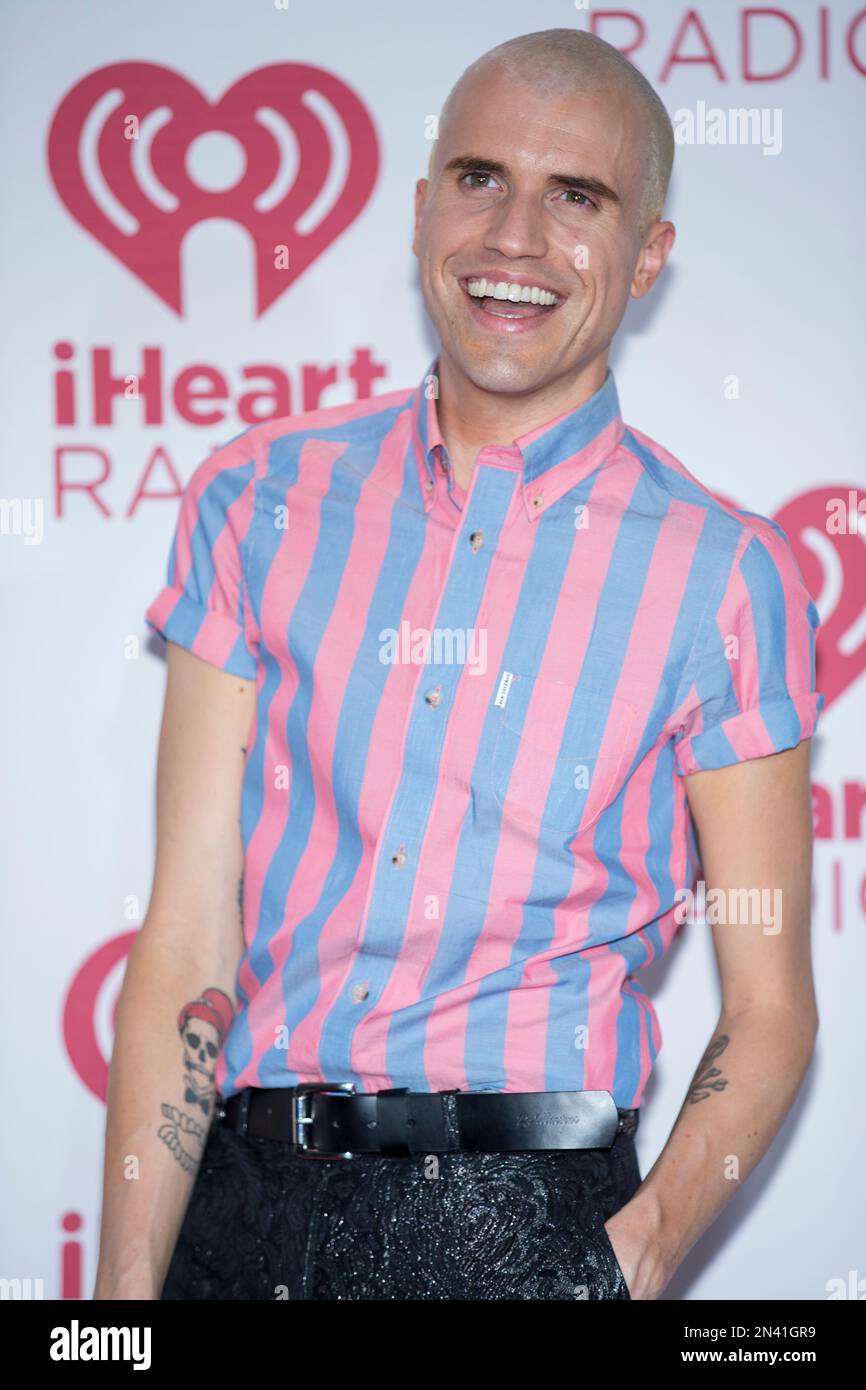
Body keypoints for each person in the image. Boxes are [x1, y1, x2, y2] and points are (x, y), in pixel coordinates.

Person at [93, 27, 823, 1301]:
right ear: (422, 207)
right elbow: (189, 937)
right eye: (481, 178)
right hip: (242, 1213)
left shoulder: (724, 574)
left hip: (527, 1218)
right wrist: (119, 1308)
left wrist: (622, 1266)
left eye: (576, 197)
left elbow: (767, 1007)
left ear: (647, 254)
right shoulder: (256, 500)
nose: (515, 238)